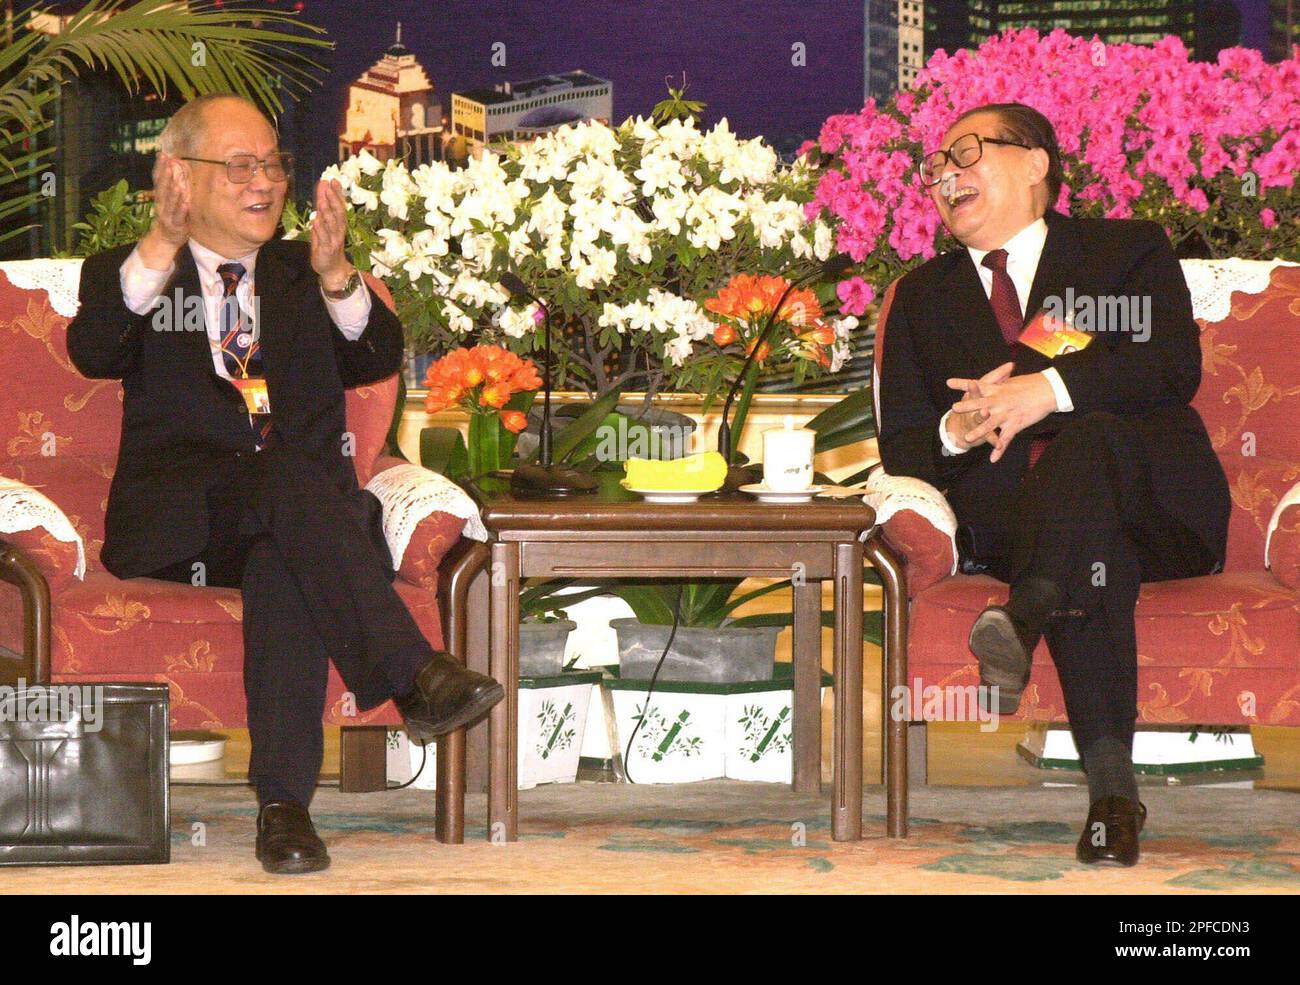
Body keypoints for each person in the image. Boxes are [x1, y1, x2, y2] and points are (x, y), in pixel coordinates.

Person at [67, 94, 504, 874]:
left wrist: (338, 275)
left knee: (281, 556)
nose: (263, 180)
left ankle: (284, 811)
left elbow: (374, 357)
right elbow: (97, 347)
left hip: (300, 523)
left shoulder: (305, 273)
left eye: (272, 162)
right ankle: (414, 674)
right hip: (183, 521)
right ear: (179, 176)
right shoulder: (129, 276)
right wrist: (162, 245)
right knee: (279, 489)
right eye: (239, 166)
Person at [878, 102, 1229, 866]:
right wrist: (954, 431)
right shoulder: (921, 296)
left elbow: (1172, 363)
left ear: (1035, 161)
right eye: (937, 166)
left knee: (1093, 436)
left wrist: (1050, 391)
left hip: (1161, 508)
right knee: (1083, 540)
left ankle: (1030, 606)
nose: (946, 175)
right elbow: (903, 441)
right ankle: (1111, 795)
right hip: (1021, 527)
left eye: (966, 152)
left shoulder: (1122, 252)